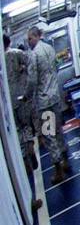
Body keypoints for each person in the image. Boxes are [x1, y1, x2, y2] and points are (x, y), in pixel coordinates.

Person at [25, 24, 69, 180]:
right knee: (58, 130)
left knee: (49, 135)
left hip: (43, 101)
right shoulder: (50, 49)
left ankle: (58, 169)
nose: (29, 41)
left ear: (36, 36)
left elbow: (32, 80)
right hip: (55, 96)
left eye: (30, 38)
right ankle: (66, 160)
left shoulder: (34, 54)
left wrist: (26, 96)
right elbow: (56, 68)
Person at [4, 32, 37, 171]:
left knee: (17, 130)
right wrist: (24, 73)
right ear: (9, 42)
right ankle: (31, 149)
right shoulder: (15, 53)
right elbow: (31, 61)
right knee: (26, 126)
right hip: (21, 97)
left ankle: (24, 160)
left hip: (8, 103)